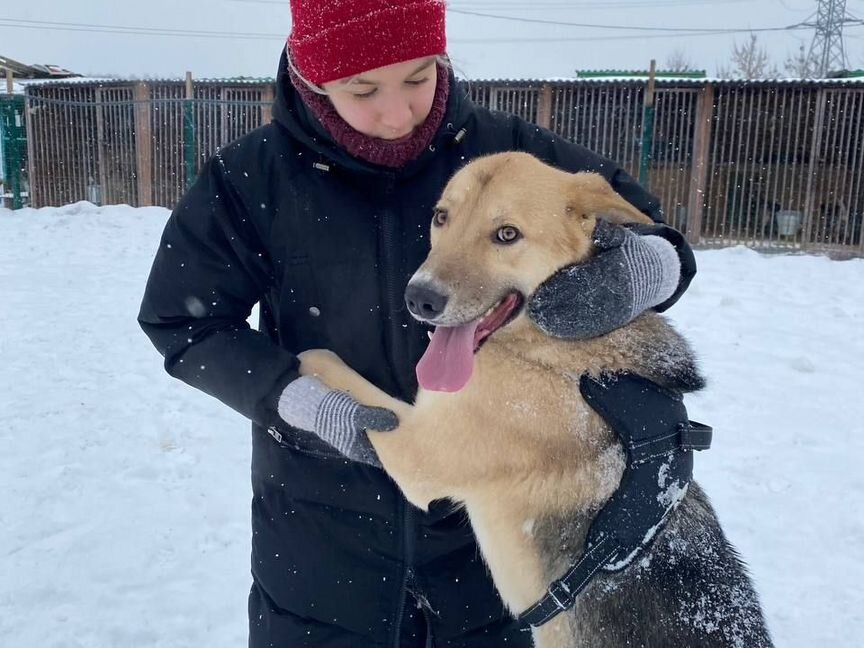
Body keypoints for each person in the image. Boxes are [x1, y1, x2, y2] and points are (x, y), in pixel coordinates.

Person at [138, 1, 696, 646]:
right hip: (323, 548)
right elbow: (182, 320)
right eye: (364, 88)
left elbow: (652, 233)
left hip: (491, 553)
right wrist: (291, 395)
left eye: (419, 75)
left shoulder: (512, 156)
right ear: (313, 77)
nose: (398, 112)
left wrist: (642, 273)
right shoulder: (249, 179)